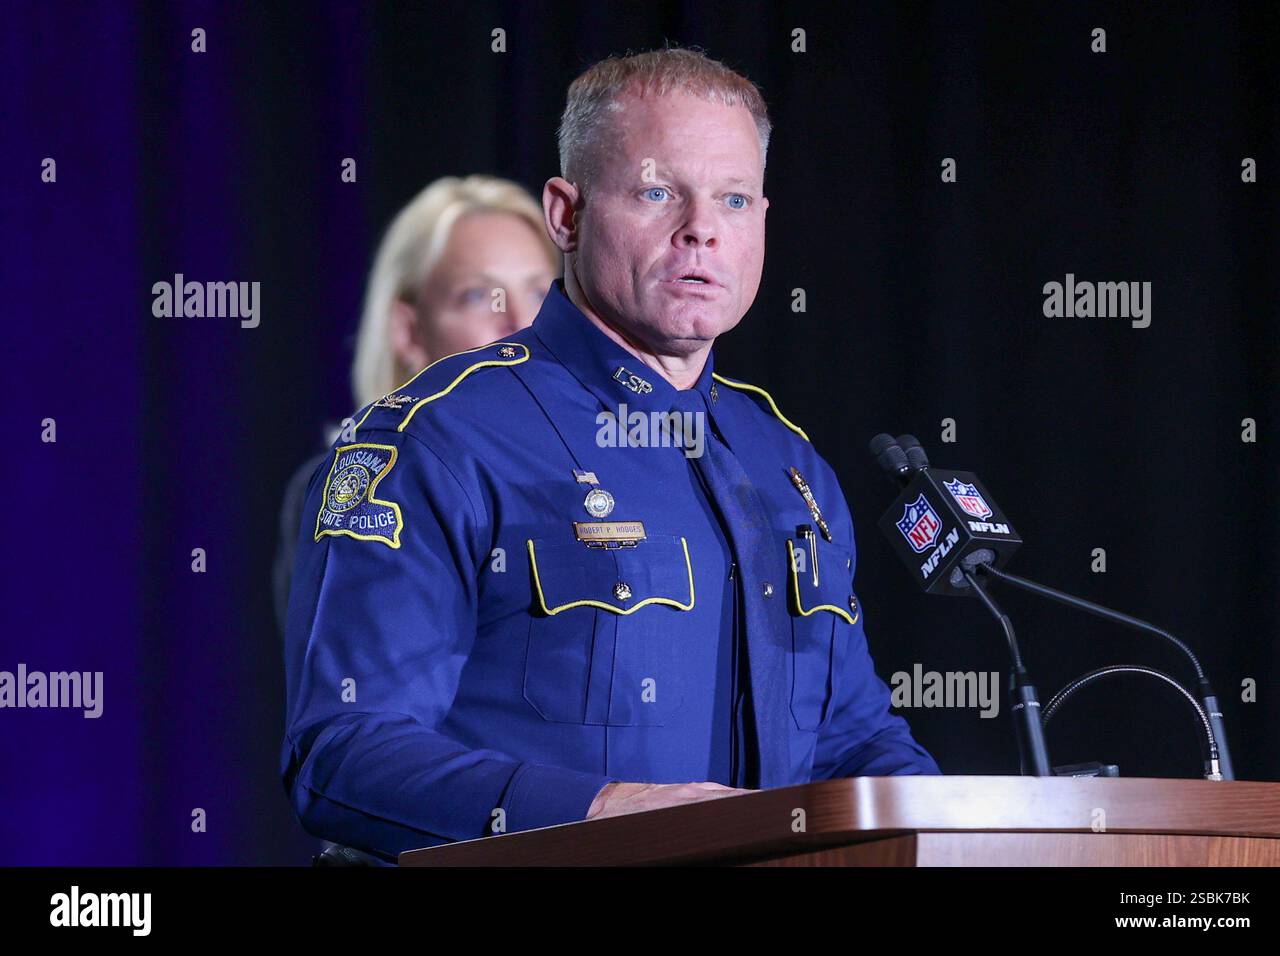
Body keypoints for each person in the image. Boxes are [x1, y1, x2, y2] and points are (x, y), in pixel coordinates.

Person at [281, 46, 940, 863]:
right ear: (565, 213)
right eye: (659, 192)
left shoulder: (790, 468)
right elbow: (343, 755)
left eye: (733, 199)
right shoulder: (436, 438)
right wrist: (602, 813)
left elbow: (852, 744)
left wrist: (964, 829)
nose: (701, 228)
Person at [272, 176, 559, 631]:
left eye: (540, 293)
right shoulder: (360, 490)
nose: (521, 322)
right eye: (479, 296)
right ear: (408, 330)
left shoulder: (608, 473)